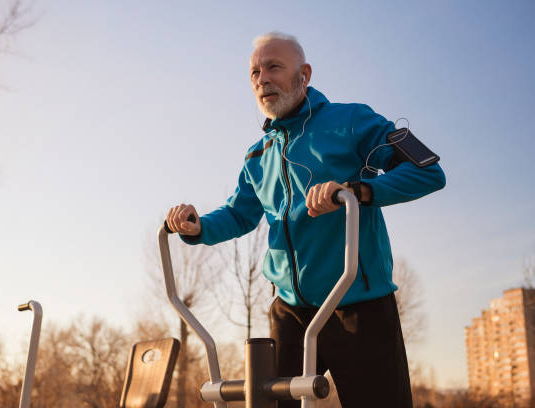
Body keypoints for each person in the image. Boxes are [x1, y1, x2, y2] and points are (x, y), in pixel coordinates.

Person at [165, 32, 445, 407]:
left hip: (358, 305)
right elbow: (238, 214)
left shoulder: (351, 121)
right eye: (254, 72)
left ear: (304, 74)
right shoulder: (257, 155)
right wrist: (198, 227)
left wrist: (356, 191)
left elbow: (428, 173)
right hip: (289, 313)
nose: (262, 78)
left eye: (274, 67)